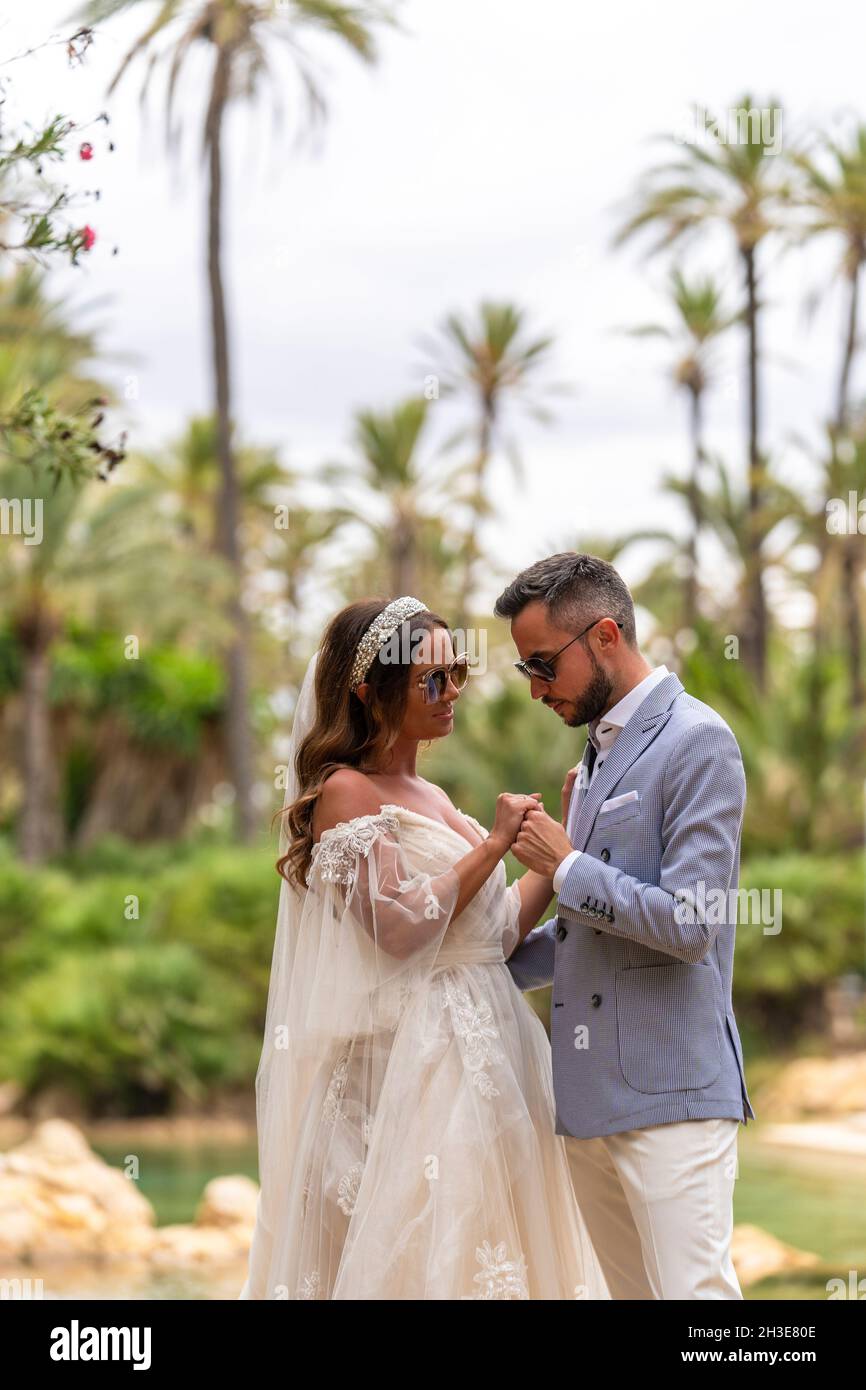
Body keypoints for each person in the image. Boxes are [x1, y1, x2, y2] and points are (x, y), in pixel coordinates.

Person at [239, 595, 609, 1300]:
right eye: (432, 680)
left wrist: (565, 845)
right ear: (369, 690)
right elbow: (403, 930)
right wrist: (496, 842)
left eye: (458, 674)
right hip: (406, 1067)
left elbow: (494, 933)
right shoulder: (345, 793)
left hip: (494, 1054)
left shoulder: (432, 793)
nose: (452, 695)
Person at [496, 551, 755, 1300]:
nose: (538, 689)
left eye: (544, 665)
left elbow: (689, 924)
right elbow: (590, 934)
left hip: (672, 1094)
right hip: (586, 1103)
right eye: (526, 672)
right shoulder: (596, 758)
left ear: (604, 635)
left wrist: (567, 866)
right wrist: (472, 968)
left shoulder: (699, 741)